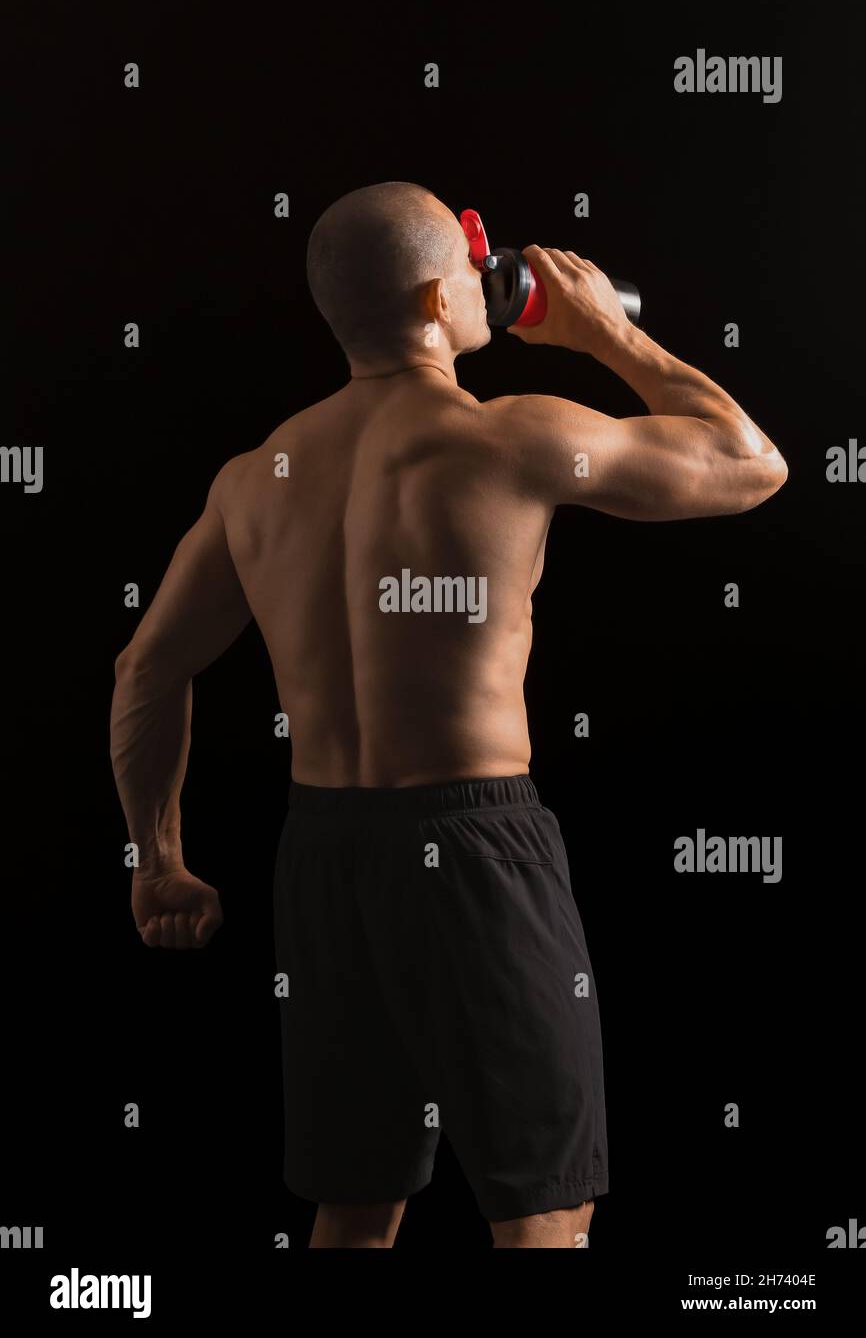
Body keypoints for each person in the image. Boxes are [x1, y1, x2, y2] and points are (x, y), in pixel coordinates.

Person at [110, 181, 788, 1248]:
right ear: (438, 298)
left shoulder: (254, 480)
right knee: (544, 1214)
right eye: (471, 270)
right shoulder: (506, 437)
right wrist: (610, 332)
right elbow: (752, 464)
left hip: (325, 854)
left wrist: (156, 857)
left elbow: (147, 668)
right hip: (474, 848)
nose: (489, 280)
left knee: (355, 1208)